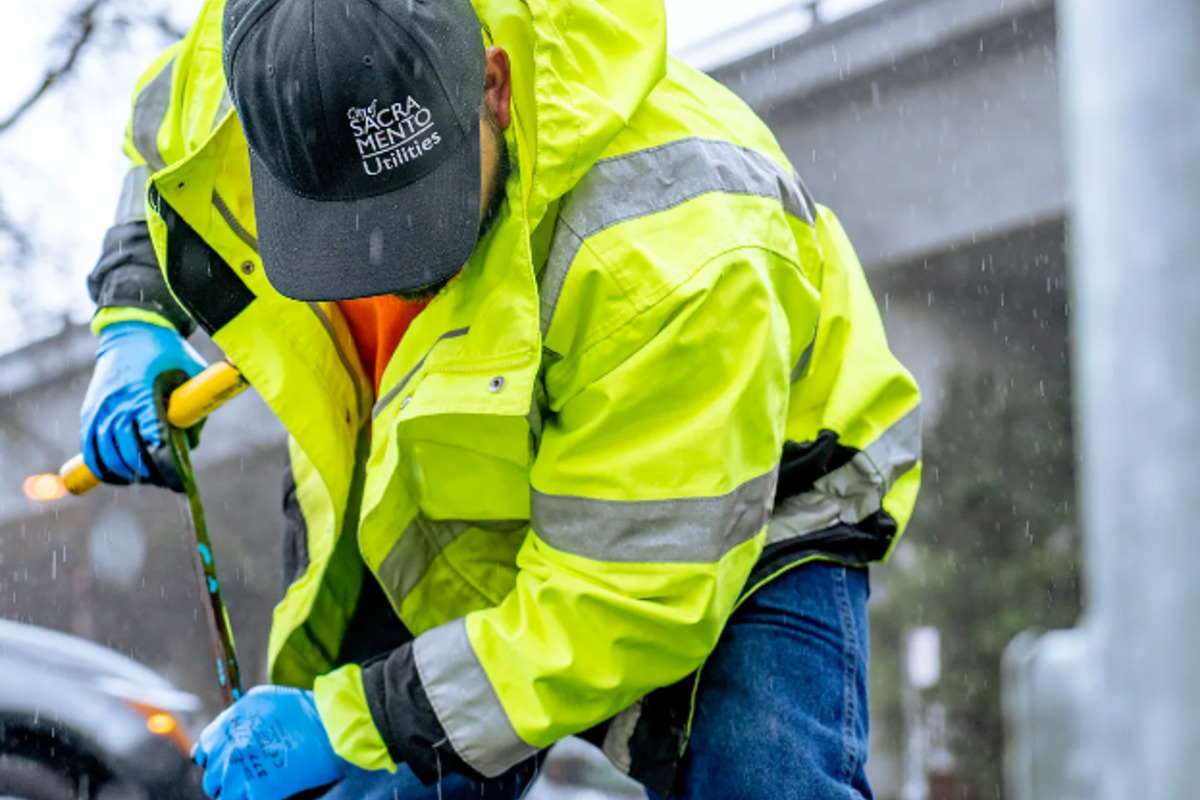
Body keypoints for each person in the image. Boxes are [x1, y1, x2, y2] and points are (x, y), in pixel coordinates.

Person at [80, 0, 922, 798]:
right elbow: (172, 149)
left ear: (495, 84)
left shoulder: (671, 256)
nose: (388, 270)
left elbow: (624, 599)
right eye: (342, 231)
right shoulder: (275, 50)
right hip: (430, 479)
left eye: (415, 218)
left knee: (759, 775)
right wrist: (133, 311)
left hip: (727, 503)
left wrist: (363, 718)